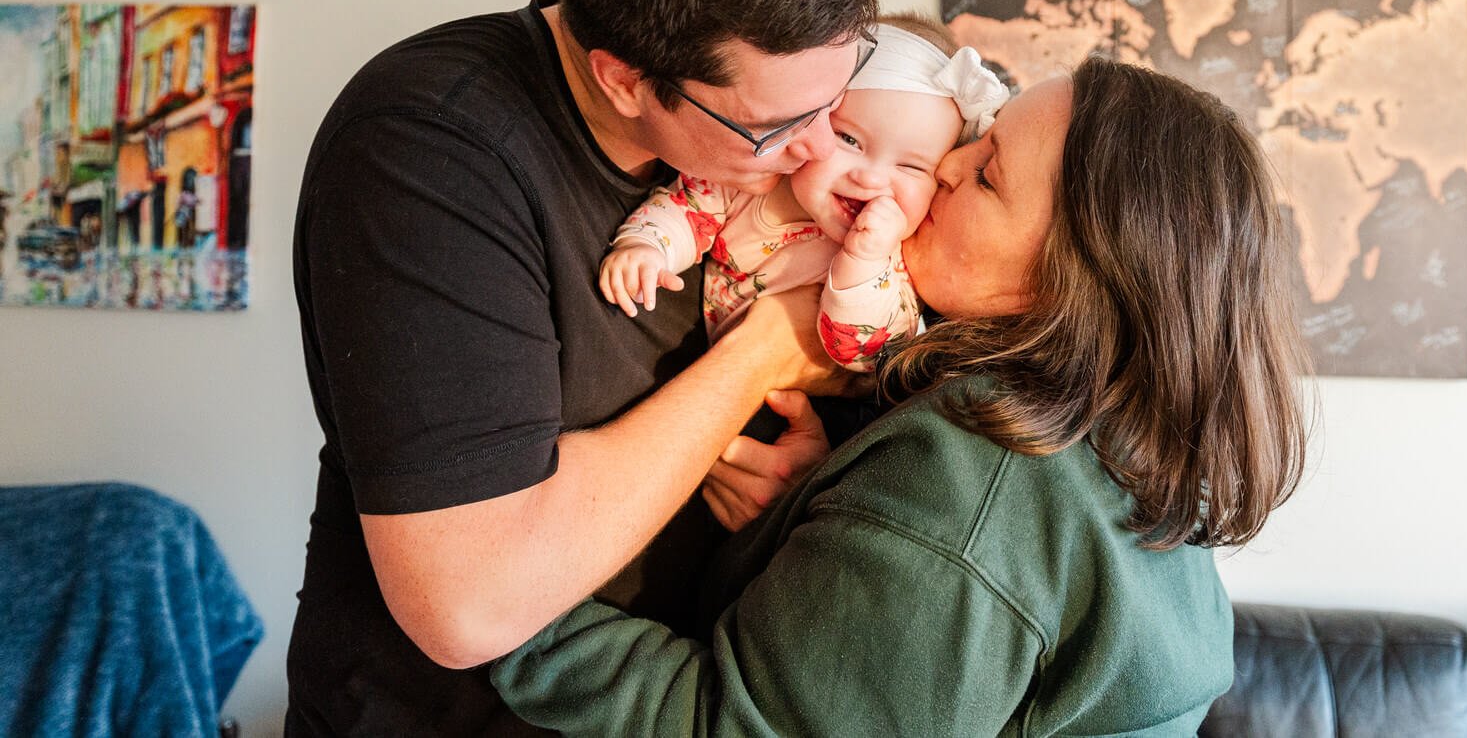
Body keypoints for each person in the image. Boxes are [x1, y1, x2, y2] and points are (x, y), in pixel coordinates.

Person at [489, 57, 1312, 736]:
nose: (947, 164)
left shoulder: (979, 480)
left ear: (1072, 277)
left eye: (987, 175)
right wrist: (838, 499)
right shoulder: (1133, 450)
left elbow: (728, 727)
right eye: (981, 139)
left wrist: (501, 598)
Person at [286, 0, 878, 735]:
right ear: (623, 79)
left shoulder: (766, 140)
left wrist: (811, 479)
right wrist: (766, 352)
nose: (819, 151)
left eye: (836, 102)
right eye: (772, 128)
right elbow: (467, 600)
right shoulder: (429, 148)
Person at [598, 17, 1010, 375]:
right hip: (710, 379)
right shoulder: (753, 183)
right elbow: (682, 210)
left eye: (911, 167)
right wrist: (647, 248)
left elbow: (866, 354)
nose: (870, 178)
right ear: (807, 123)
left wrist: (863, 262)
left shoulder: (892, 260)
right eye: (849, 138)